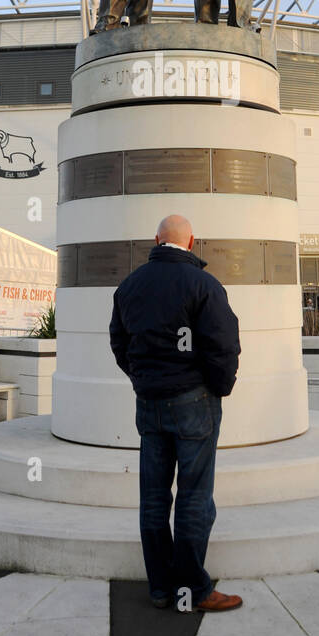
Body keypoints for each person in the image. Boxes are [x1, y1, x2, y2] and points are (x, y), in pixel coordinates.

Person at [109, 213, 242, 613]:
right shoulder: (204, 285)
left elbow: (120, 343)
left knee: (153, 498)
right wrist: (218, 388)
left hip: (149, 404)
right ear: (191, 242)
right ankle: (194, 591)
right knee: (194, 497)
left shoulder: (130, 286)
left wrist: (142, 379)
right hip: (193, 403)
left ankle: (162, 589)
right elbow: (223, 347)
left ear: (155, 240)